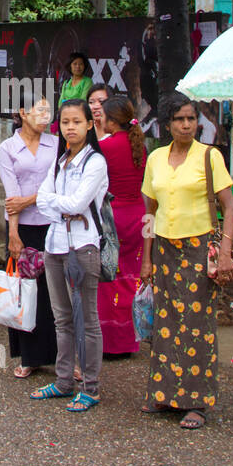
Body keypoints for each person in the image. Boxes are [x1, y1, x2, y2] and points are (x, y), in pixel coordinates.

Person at [140, 94, 233, 429]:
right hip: (165, 248)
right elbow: (149, 213)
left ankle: (196, 402)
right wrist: (146, 258)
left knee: (196, 325)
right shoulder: (155, 159)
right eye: (179, 119)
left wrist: (224, 251)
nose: (186, 125)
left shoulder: (210, 157)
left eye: (191, 119)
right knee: (165, 324)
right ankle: (165, 394)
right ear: (167, 124)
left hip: (200, 248)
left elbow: (230, 205)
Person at [30, 99, 109, 412]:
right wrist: (62, 208)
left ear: (90, 124)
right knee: (61, 319)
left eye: (77, 122)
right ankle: (64, 381)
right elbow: (40, 199)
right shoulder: (58, 160)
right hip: (55, 245)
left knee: (87, 320)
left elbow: (78, 205)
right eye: (65, 122)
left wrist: (58, 206)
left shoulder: (95, 163)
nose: (71, 128)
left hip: (83, 248)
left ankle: (91, 387)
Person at [0, 92, 60, 378]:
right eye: (39, 111)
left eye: (48, 112)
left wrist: (30, 199)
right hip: (23, 228)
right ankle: (29, 357)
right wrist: (13, 233)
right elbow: (12, 196)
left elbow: (58, 186)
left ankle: (64, 359)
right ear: (23, 112)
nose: (45, 117)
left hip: (55, 225)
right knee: (25, 292)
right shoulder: (7, 148)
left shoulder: (57, 145)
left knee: (57, 294)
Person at [97, 96, 147, 357]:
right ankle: (130, 341)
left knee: (108, 278)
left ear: (112, 120)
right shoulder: (141, 146)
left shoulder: (105, 147)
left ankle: (109, 343)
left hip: (112, 216)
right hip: (137, 215)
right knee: (130, 278)